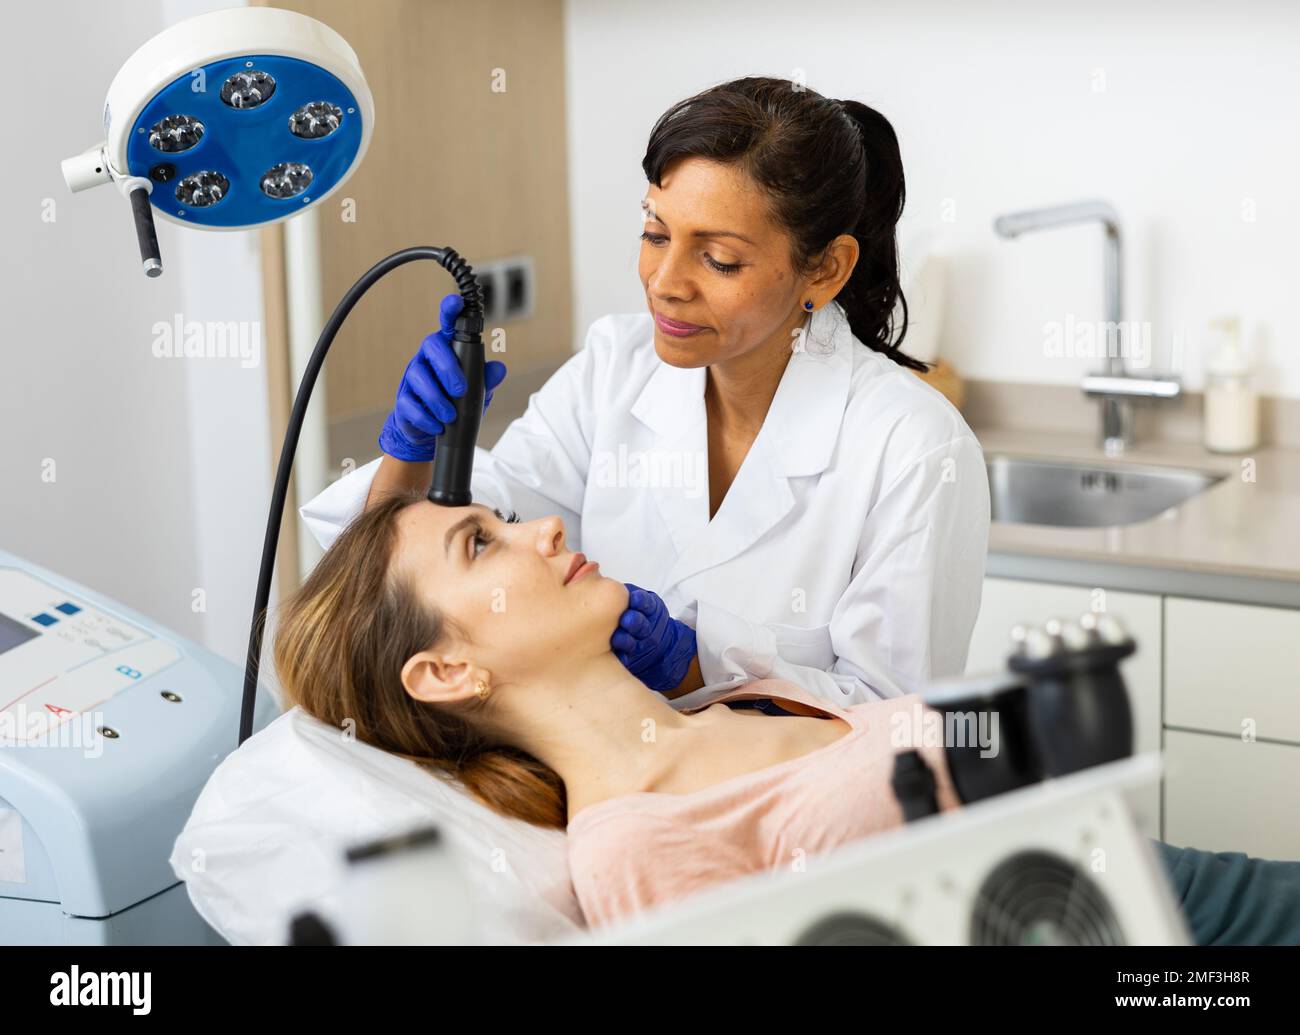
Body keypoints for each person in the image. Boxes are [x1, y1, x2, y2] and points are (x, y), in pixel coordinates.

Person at [273, 493, 1300, 944]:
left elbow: (939, 744)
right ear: (447, 670)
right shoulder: (636, 839)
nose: (541, 528)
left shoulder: (741, 696)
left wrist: (1031, 730)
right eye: (481, 545)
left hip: (1177, 876)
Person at [299, 76, 989, 712]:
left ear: (827, 268)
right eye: (655, 234)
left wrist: (694, 666)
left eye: (719, 258)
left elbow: (898, 728)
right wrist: (416, 454)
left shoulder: (913, 447)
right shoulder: (615, 368)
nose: (665, 281)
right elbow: (438, 569)